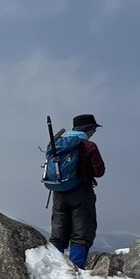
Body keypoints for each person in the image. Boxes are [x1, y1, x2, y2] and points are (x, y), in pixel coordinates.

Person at [49, 113, 105, 269]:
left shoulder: (57, 143)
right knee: (81, 233)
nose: (94, 132)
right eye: (93, 129)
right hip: (81, 192)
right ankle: (76, 269)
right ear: (88, 129)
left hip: (58, 191)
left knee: (58, 233)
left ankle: (54, 269)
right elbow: (99, 171)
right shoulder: (88, 146)